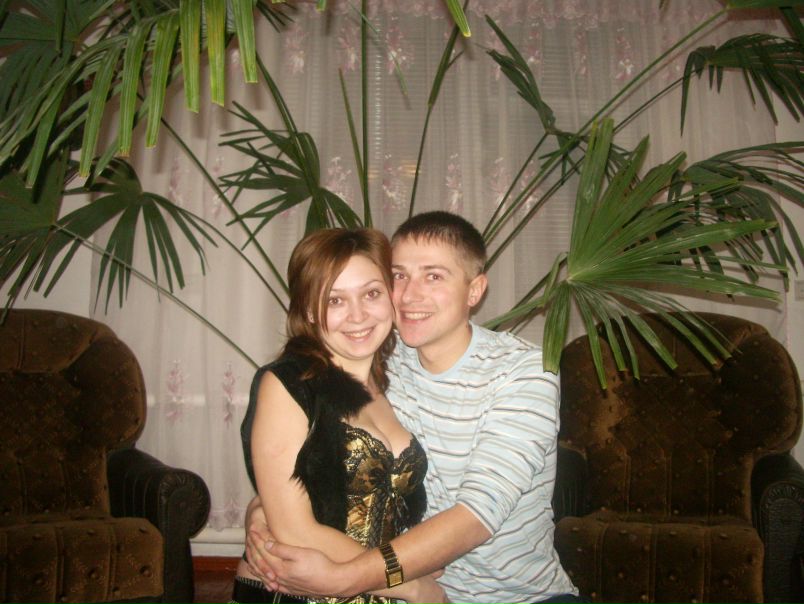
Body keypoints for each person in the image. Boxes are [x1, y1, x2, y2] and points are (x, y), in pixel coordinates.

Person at [245, 212, 583, 604]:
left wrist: (347, 578)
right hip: (408, 590)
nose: (409, 295)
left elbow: (475, 518)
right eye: (399, 276)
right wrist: (265, 510)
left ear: (475, 290)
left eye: (433, 276)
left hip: (517, 596)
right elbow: (314, 457)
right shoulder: (384, 358)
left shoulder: (523, 372)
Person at [232, 228, 447, 604]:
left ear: (391, 295)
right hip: (298, 594)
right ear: (308, 310)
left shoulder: (394, 380)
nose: (358, 315)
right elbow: (295, 532)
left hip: (378, 591)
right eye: (335, 300)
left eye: (371, 294)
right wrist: (412, 583)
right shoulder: (287, 384)